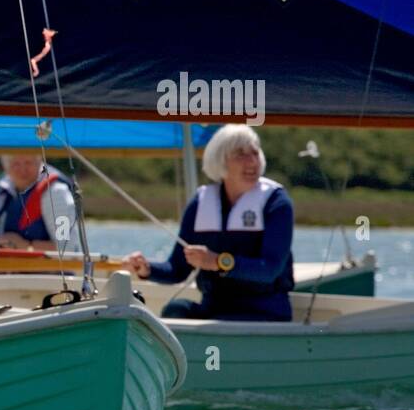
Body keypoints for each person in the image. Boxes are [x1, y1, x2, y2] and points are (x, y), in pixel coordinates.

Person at [124, 124, 294, 321]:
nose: (252, 161)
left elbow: (270, 270)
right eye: (240, 154)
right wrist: (146, 269)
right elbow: (177, 268)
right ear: (220, 161)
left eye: (255, 153)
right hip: (214, 307)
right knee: (175, 310)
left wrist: (216, 262)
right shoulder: (201, 202)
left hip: (264, 311)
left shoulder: (277, 202)